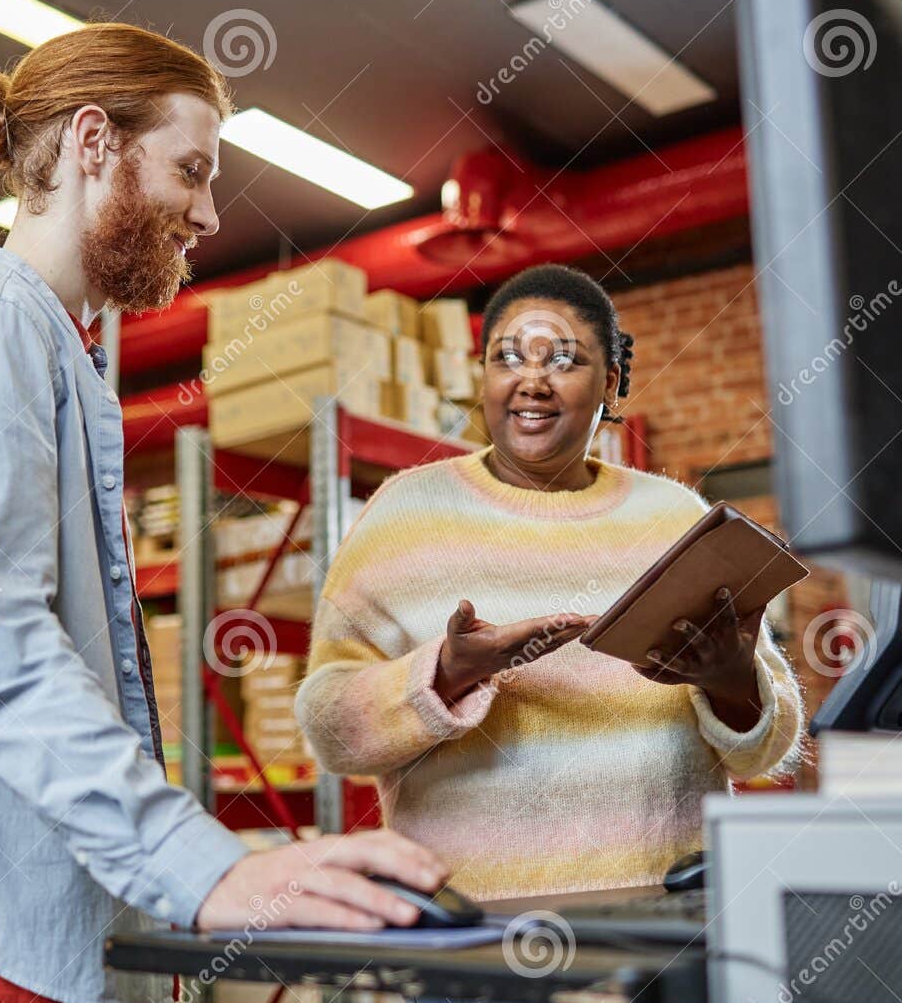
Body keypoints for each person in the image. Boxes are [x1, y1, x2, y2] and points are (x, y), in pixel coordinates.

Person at [0, 23, 446, 1003]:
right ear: (93, 142)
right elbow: (0, 649)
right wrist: (205, 868)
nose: (205, 210)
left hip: (34, 933)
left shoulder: (59, 351)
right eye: (191, 171)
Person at [295, 264, 803, 902]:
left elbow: (767, 750)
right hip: (475, 936)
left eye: (564, 360)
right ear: (484, 375)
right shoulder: (404, 514)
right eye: (507, 357)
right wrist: (447, 674)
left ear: (611, 383)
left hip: (669, 922)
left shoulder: (675, 519)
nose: (530, 381)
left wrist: (731, 682)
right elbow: (328, 728)